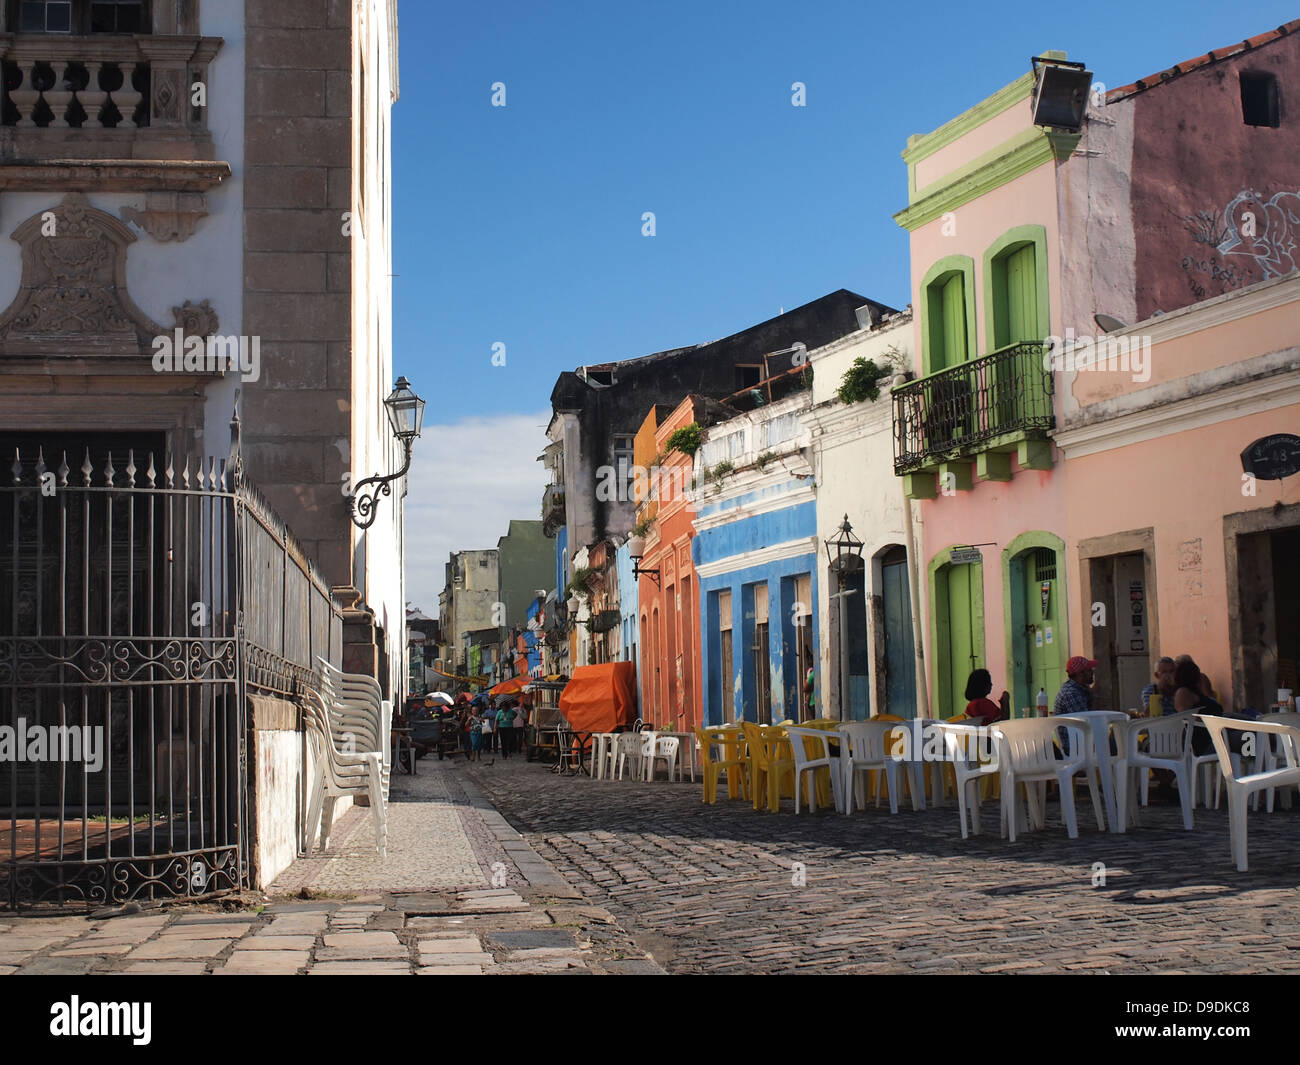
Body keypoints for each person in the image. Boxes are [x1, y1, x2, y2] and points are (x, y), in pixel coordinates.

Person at [1052, 656, 1097, 755]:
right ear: (1080, 674)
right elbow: (1087, 722)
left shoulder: (1079, 689)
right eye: (1089, 670)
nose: (1092, 673)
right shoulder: (1071, 693)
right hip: (1074, 747)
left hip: (1080, 742)